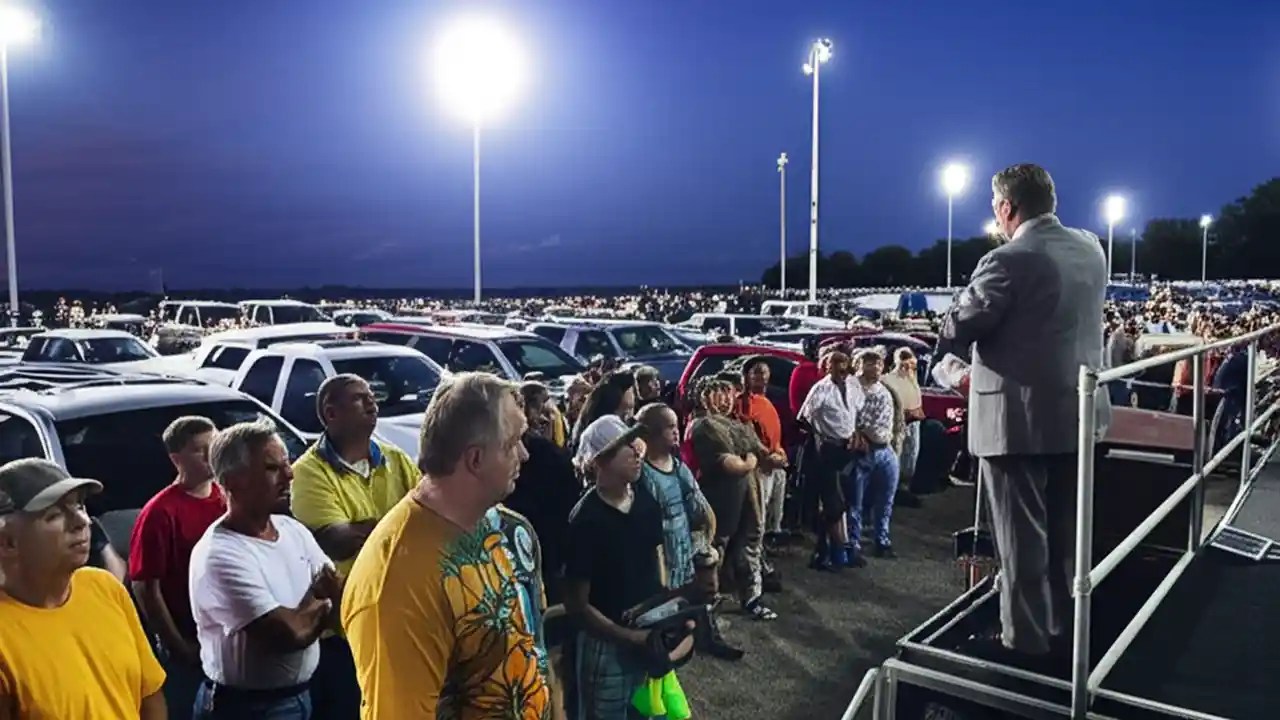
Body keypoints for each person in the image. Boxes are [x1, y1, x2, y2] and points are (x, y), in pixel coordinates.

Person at [938, 163, 1109, 661]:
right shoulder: (1091, 247)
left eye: (996, 207)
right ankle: (1067, 634)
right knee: (1066, 540)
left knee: (1020, 543)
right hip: (1078, 415)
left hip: (1016, 423)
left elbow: (959, 327)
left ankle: (1024, 644)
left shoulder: (1006, 260)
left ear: (1006, 208)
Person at [341, 372, 553, 719]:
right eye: (513, 442)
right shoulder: (397, 581)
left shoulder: (508, 528)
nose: (525, 454)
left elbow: (534, 656)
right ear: (475, 459)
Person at [189, 421, 341, 719]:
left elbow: (341, 593)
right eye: (273, 468)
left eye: (287, 464)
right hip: (248, 708)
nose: (289, 474)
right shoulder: (220, 554)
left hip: (302, 695)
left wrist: (313, 606)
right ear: (233, 481)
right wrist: (324, 598)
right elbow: (288, 636)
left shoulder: (292, 530)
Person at [290, 374, 419, 720]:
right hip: (342, 629)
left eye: (372, 396)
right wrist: (400, 527)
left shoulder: (396, 459)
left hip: (399, 617)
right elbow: (337, 540)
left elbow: (429, 521)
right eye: (360, 399)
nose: (372, 403)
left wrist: (369, 528)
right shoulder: (308, 472)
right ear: (331, 414)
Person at [0, 458, 167, 718]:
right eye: (54, 515)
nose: (82, 521)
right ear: (7, 543)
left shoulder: (104, 588)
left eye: (79, 506)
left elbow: (149, 694)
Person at [565, 414, 690, 718]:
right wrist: (629, 637)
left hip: (649, 635)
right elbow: (577, 604)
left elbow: (656, 557)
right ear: (600, 461)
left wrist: (668, 610)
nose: (637, 451)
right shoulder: (586, 519)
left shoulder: (645, 499)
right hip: (606, 649)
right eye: (625, 446)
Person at [130, 416, 226, 719]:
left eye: (215, 446)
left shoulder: (227, 498)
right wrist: (178, 645)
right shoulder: (160, 512)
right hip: (188, 641)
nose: (211, 455)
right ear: (176, 459)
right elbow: (146, 587)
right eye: (200, 450)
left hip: (226, 637)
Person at [796, 348, 864, 570]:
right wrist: (820, 436)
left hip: (848, 449)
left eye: (845, 366)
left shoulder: (853, 387)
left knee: (844, 502)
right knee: (833, 504)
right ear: (828, 367)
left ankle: (824, 553)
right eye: (837, 366)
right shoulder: (820, 389)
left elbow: (857, 413)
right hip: (827, 451)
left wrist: (856, 435)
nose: (842, 370)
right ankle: (840, 551)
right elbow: (804, 418)